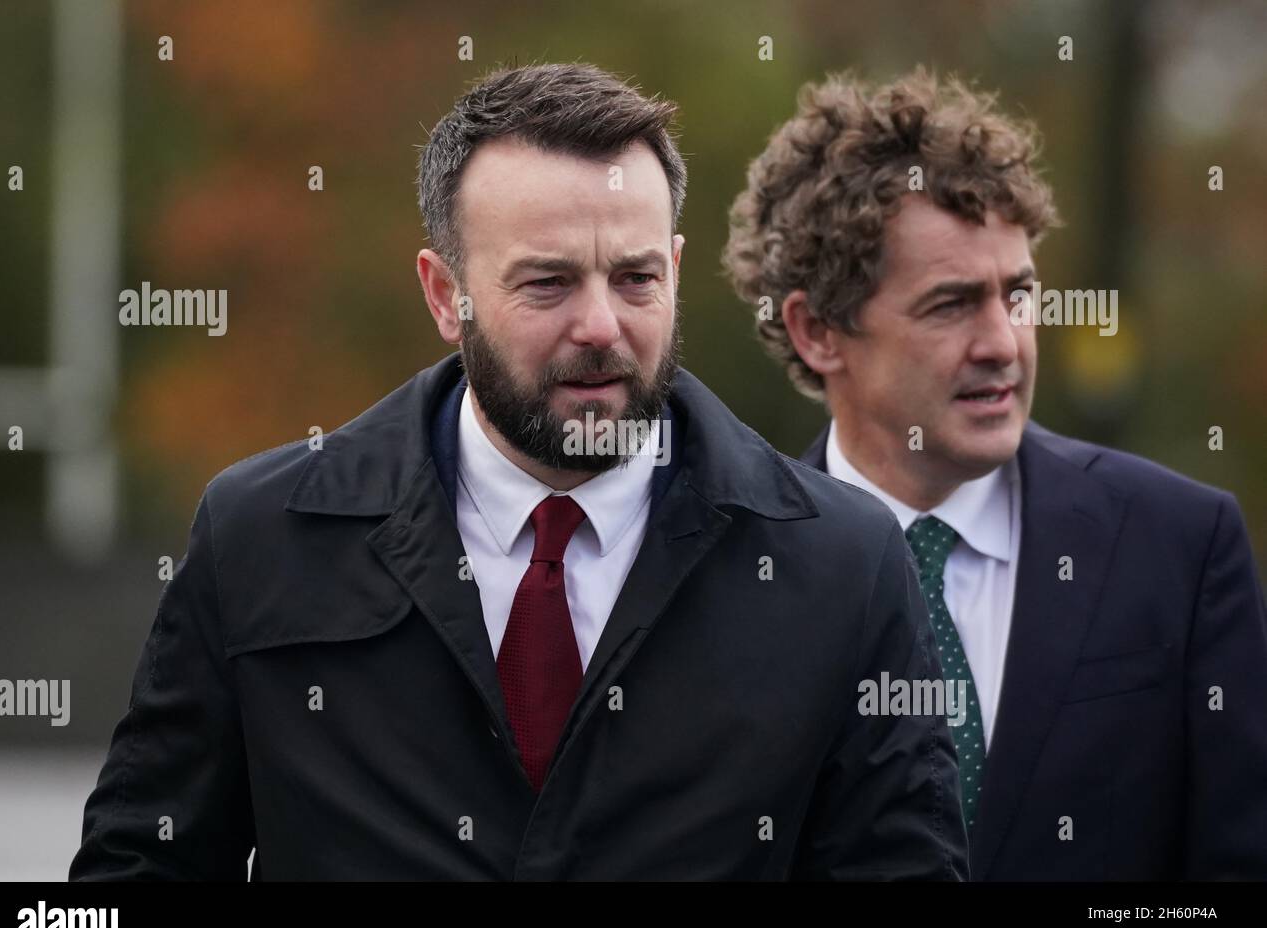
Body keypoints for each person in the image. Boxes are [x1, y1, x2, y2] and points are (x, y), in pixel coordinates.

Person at [71, 62, 966, 881]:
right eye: (547, 284)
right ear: (442, 294)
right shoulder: (263, 539)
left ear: (677, 271)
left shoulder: (841, 566)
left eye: (635, 278)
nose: (601, 327)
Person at [723, 67, 1267, 880]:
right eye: (950, 304)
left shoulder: (1179, 547)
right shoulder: (729, 580)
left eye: (1017, 295)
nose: (1004, 344)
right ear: (816, 331)